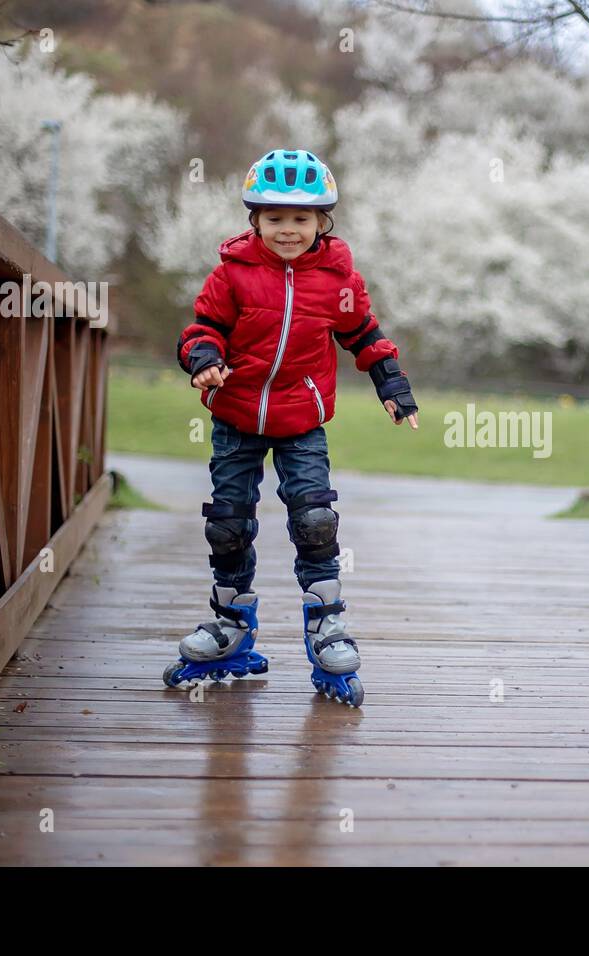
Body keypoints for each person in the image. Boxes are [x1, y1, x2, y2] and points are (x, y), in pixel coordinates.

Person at [174, 148, 418, 684]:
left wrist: (391, 385)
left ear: (322, 222)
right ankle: (230, 622)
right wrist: (205, 360)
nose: (288, 230)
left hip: (302, 421)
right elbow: (202, 328)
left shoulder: (338, 280)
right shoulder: (232, 274)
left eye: (301, 219)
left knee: (314, 519)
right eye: (275, 219)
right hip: (237, 416)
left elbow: (365, 336)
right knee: (227, 523)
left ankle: (326, 624)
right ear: (255, 220)